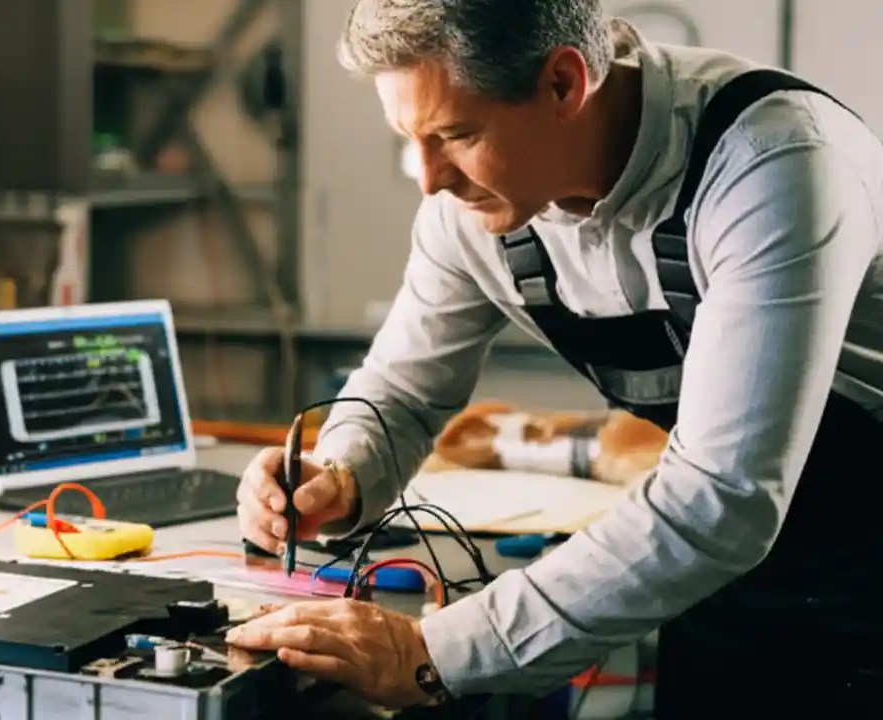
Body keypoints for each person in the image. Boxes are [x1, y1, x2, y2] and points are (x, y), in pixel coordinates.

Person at [226, 0, 883, 715]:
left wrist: (430, 654)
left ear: (565, 85)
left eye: (456, 134)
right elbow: (404, 392)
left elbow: (722, 499)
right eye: (409, 139)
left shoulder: (771, 164)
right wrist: (341, 475)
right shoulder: (472, 206)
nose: (429, 180)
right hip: (724, 578)